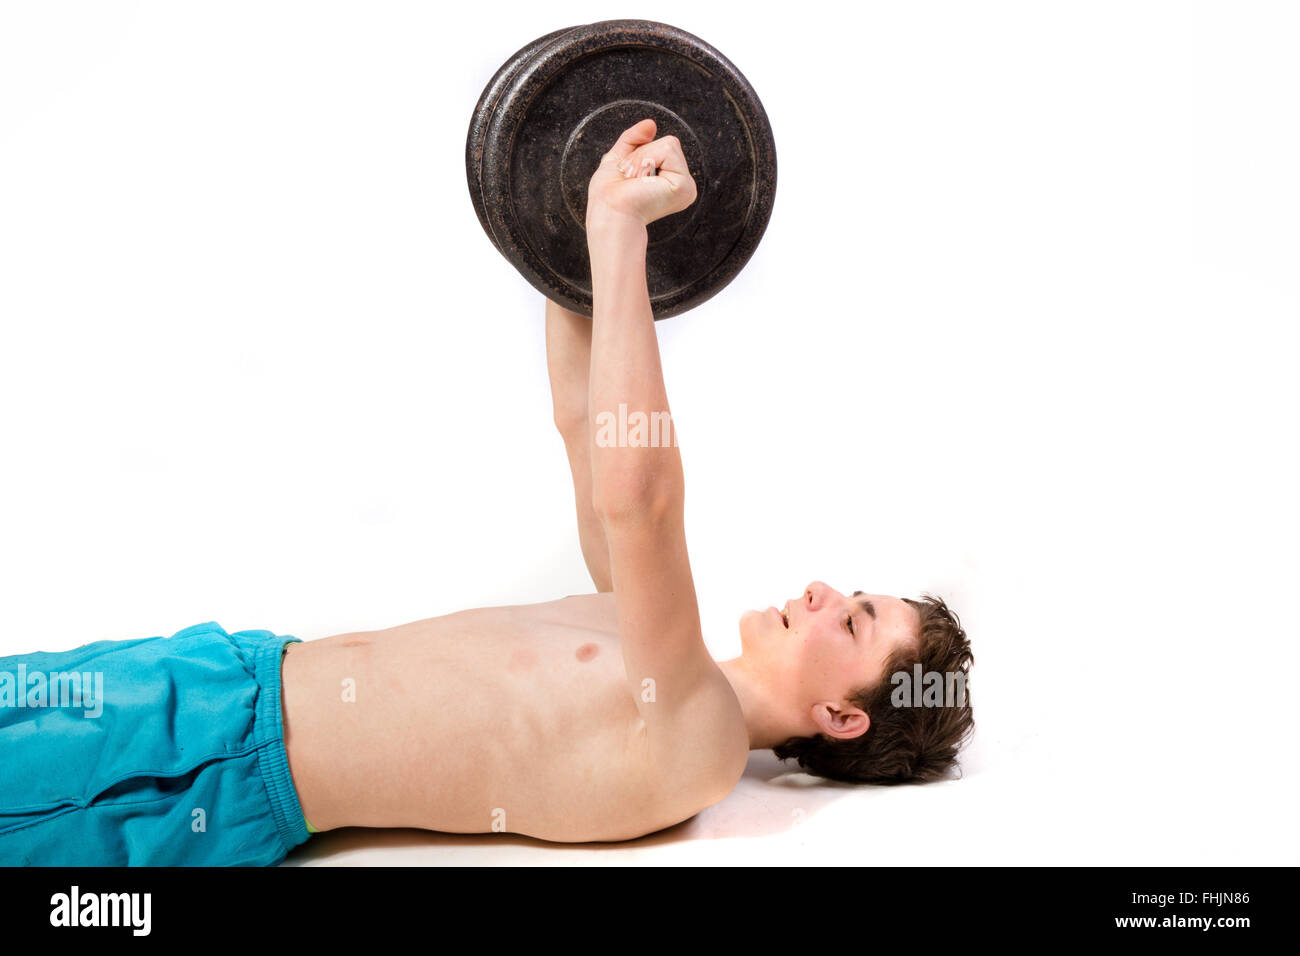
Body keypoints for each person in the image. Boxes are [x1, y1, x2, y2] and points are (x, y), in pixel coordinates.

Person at [0, 120, 973, 866]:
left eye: (849, 622)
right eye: (848, 594)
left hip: (199, 771)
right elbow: (588, 428)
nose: (818, 592)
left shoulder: (697, 742)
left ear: (841, 718)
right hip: (219, 673)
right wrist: (565, 233)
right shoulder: (641, 636)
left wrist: (619, 232)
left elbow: (643, 495)